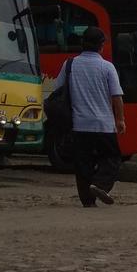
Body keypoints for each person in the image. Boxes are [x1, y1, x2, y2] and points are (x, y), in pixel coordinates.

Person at [53, 26, 125, 207]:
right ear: (102, 45)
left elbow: (57, 90)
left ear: (82, 43)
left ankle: (88, 201)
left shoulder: (69, 64)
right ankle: (101, 185)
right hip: (103, 124)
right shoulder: (107, 67)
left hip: (79, 124)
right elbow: (117, 96)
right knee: (112, 158)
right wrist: (120, 120)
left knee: (83, 163)